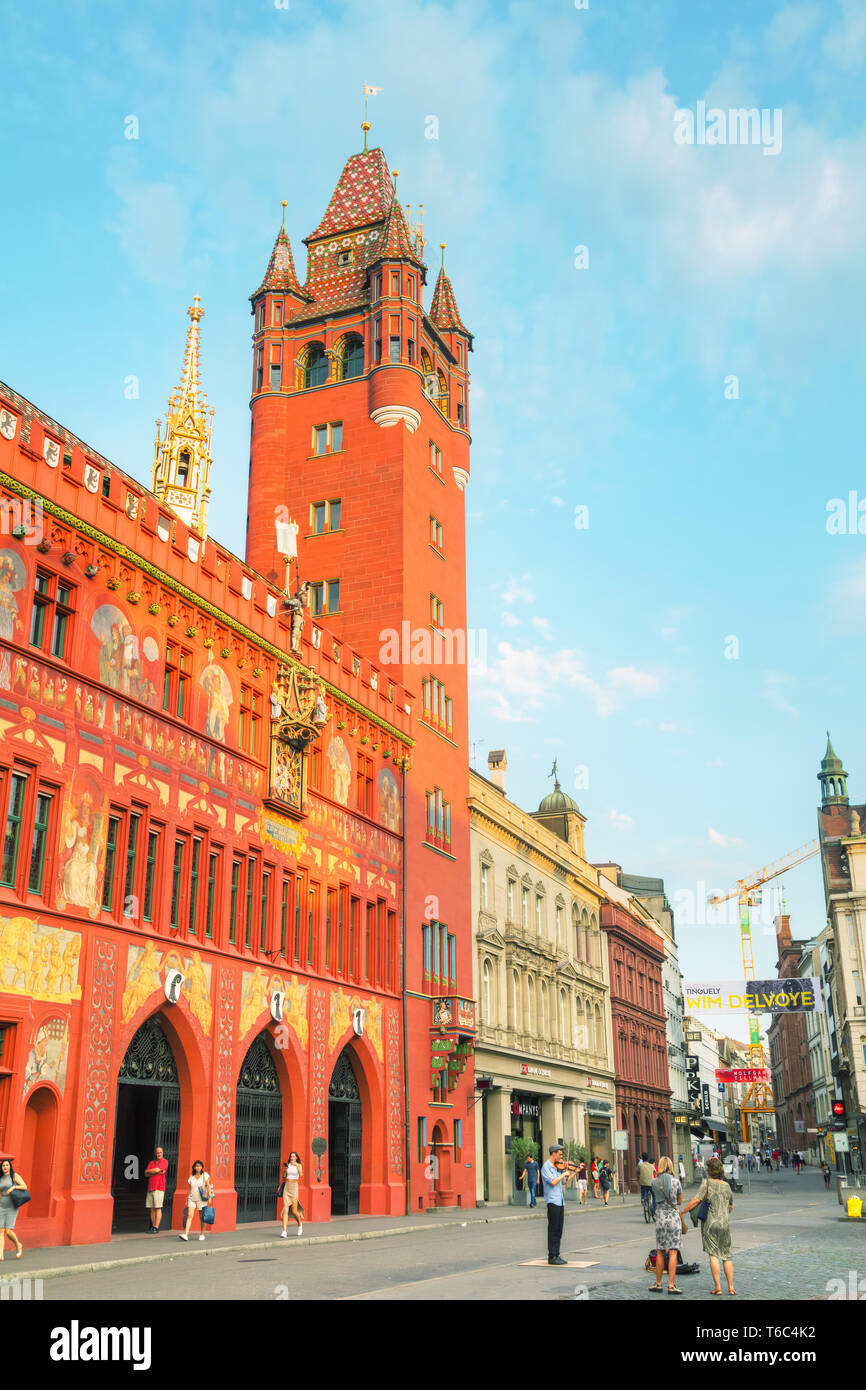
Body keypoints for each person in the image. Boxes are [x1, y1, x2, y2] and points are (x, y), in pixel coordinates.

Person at [682, 1156, 735, 1295]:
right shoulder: (727, 1186)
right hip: (724, 1225)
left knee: (713, 1255)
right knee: (726, 1256)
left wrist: (683, 1211)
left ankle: (718, 1287)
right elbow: (730, 1206)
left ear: (709, 1170)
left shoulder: (706, 1184)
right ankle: (731, 1288)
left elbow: (695, 1201)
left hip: (710, 1224)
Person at [648, 1156, 683, 1294]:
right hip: (674, 1220)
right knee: (673, 1251)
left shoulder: (654, 1182)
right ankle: (671, 1285)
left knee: (660, 1252)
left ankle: (658, 1284)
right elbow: (679, 1202)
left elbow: (655, 1198)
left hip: (660, 1220)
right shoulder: (676, 1182)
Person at [540, 1144, 570, 1265]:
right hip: (552, 1201)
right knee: (553, 1229)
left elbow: (562, 1182)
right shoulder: (546, 1167)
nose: (561, 1156)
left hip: (560, 1200)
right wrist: (563, 1173)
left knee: (559, 1229)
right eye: (560, 1154)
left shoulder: (557, 1168)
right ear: (553, 1153)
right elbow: (552, 1182)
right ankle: (551, 1256)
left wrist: (569, 1174)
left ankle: (557, 1254)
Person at [179, 1160, 213, 1241]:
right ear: (194, 1167)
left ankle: (202, 1234)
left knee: (202, 1217)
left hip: (202, 1200)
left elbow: (208, 1186)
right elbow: (189, 1189)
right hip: (192, 1199)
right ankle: (186, 1234)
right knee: (189, 1216)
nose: (198, 1167)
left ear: (202, 1167)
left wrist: (210, 1196)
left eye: (199, 1166)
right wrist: (187, 1198)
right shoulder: (191, 1177)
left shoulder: (205, 1175)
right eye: (196, 1166)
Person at [0, 1157, 27, 1259]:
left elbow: (24, 1186)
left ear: (10, 1167)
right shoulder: (0, 1177)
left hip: (12, 1205)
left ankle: (18, 1244)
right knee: (0, 1230)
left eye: (7, 1165)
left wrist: (13, 1187)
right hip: (1, 1205)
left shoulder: (14, 1176)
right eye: (3, 1165)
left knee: (8, 1231)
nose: (5, 1167)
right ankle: (1, 1254)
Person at [279, 1151, 304, 1236]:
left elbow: (301, 1174)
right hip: (287, 1187)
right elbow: (283, 1177)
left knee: (294, 1210)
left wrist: (297, 1165)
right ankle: (284, 1231)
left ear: (296, 1157)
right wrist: (285, 1171)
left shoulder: (299, 1165)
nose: (292, 1158)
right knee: (285, 1209)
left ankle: (300, 1225)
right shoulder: (288, 1165)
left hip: (294, 1187)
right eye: (291, 1156)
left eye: (293, 1156)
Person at [144, 1146, 168, 1233]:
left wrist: (151, 1171)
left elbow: (155, 1170)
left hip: (159, 1187)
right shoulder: (151, 1162)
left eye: (160, 1152)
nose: (158, 1154)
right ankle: (153, 1226)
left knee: (158, 1207)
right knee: (151, 1208)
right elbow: (145, 1173)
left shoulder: (165, 1161)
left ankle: (156, 1227)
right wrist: (156, 1171)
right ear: (155, 1154)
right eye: (157, 1153)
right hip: (151, 1187)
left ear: (162, 1153)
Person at [638, 1152, 656, 1217]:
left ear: (642, 1158)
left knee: (643, 1190)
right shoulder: (651, 1165)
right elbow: (655, 1172)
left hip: (643, 1183)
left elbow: (638, 1171)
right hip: (651, 1183)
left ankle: (643, 1198)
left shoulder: (640, 1165)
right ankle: (654, 1211)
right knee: (654, 1196)